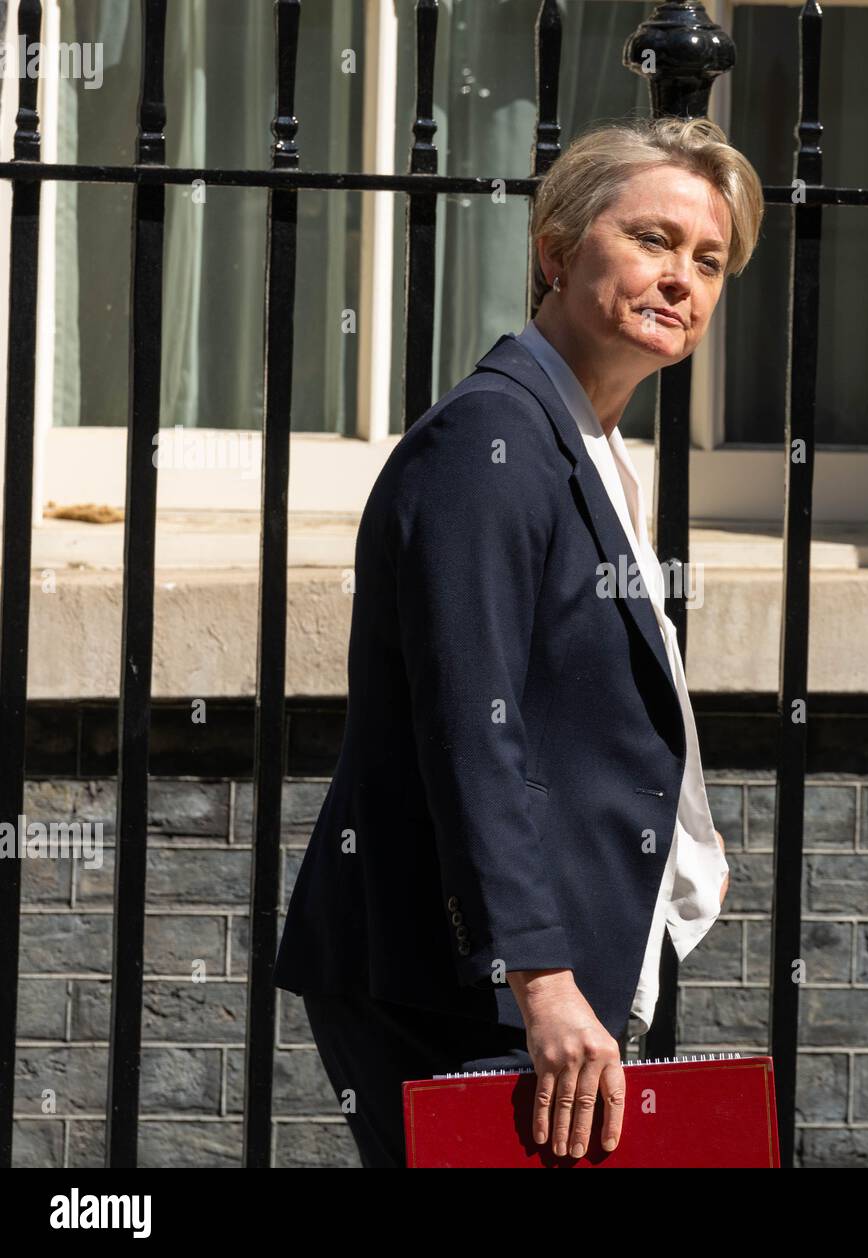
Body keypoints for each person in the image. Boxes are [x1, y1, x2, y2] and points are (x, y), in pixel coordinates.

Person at [272, 114, 765, 1167]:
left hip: (539, 975)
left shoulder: (581, 446)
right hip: (461, 986)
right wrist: (535, 977)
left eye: (709, 259)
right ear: (554, 251)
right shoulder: (489, 444)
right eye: (652, 240)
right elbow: (469, 727)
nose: (682, 278)